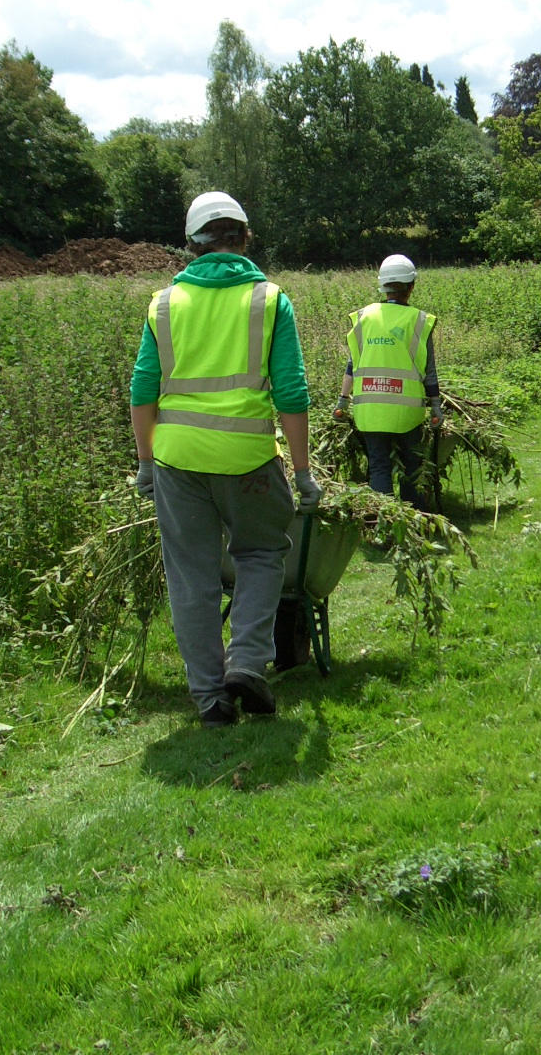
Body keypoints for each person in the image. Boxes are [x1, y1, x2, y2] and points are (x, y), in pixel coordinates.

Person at [130, 192, 321, 729]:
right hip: (248, 458)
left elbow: (143, 389)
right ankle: (247, 663)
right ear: (245, 238)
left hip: (178, 461)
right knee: (261, 553)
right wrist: (302, 471)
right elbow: (292, 393)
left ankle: (211, 700)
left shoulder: (164, 304)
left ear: (191, 245)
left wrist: (145, 461)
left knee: (191, 577)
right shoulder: (269, 300)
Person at [334, 254, 442, 509]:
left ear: (382, 286)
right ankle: (414, 518)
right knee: (412, 466)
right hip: (407, 412)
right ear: (411, 286)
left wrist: (342, 401)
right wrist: (436, 406)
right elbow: (429, 371)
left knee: (379, 466)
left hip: (370, 411)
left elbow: (352, 364)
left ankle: (384, 520)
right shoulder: (419, 320)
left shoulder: (364, 317)